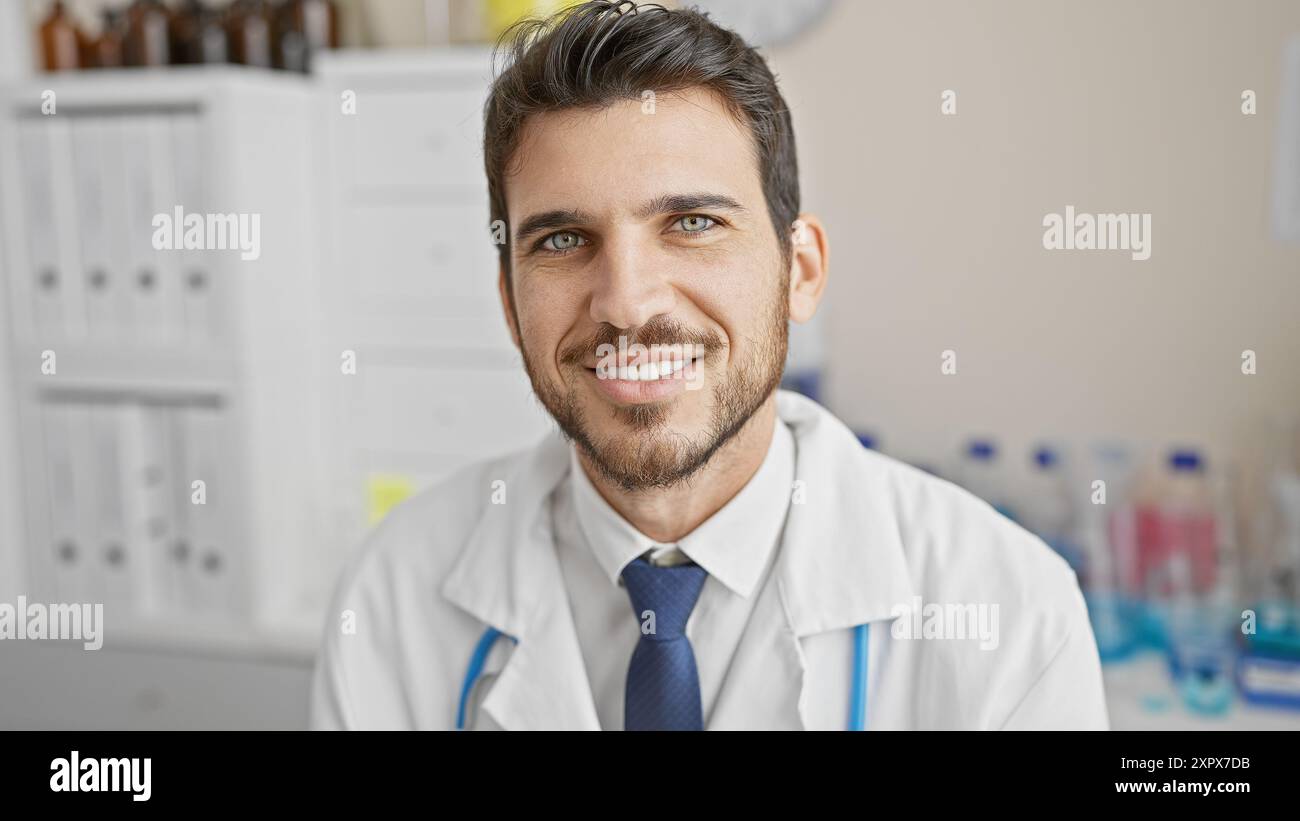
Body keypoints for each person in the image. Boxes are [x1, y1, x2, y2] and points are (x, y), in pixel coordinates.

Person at [309, 0, 1108, 730]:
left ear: (801, 271)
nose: (625, 302)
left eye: (691, 222)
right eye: (561, 240)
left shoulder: (1010, 613)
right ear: (509, 301)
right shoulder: (390, 598)